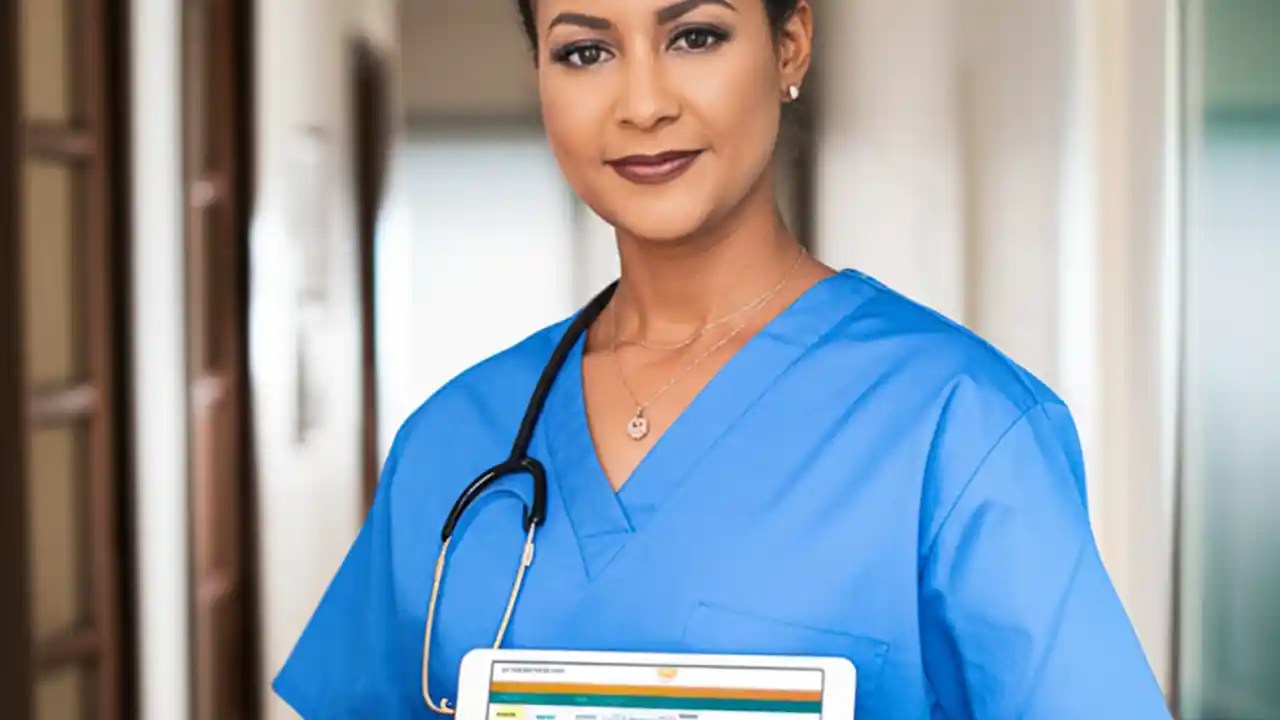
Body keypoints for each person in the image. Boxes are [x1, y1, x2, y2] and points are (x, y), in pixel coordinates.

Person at [273, 1, 1172, 717]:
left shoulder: (960, 424)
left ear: (790, 45)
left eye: (694, 36)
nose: (642, 103)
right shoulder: (454, 440)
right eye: (585, 51)